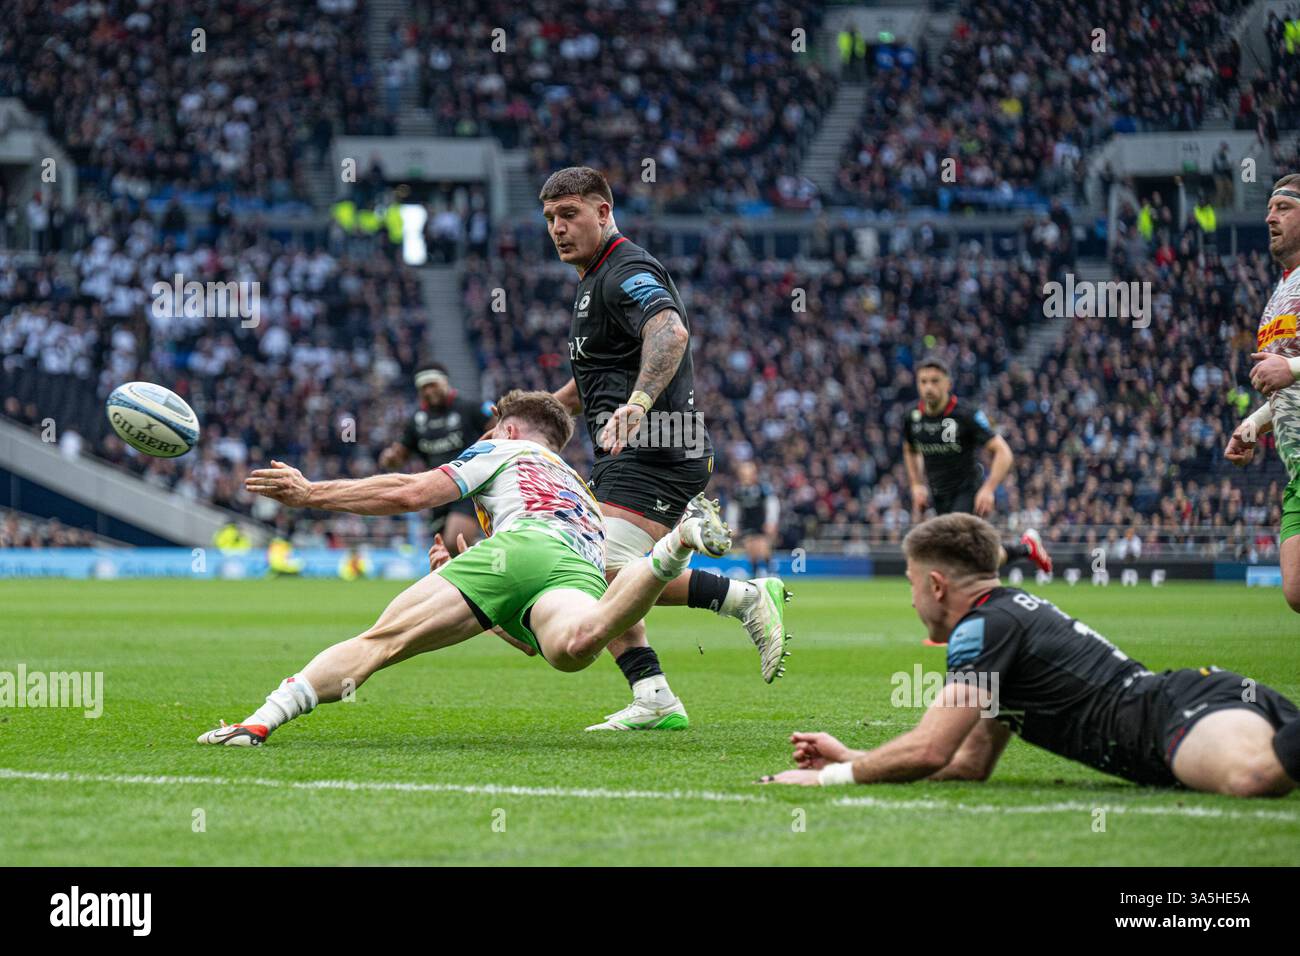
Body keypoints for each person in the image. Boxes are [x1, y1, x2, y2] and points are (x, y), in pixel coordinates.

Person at [198, 390, 732, 747]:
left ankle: (260, 721)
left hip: (522, 545)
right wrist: (471, 573)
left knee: (382, 642)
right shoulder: (580, 488)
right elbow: (524, 640)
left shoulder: (502, 451)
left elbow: (410, 490)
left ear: (511, 426)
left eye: (493, 426)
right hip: (579, 565)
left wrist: (312, 493)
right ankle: (675, 546)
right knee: (574, 648)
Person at [761, 514, 1299, 797]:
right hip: (1196, 700)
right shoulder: (1003, 619)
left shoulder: (982, 629)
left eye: (910, 583)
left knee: (1253, 777)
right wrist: (853, 757)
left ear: (936, 584)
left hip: (1175, 715)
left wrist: (827, 780)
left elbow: (929, 748)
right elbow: (967, 763)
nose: (910, 598)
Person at [534, 166, 789, 731]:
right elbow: (594, 380)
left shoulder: (625, 270)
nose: (557, 228)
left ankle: (742, 596)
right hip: (632, 449)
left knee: (594, 566)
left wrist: (640, 402)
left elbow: (670, 331)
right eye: (550, 218)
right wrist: (533, 421)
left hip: (659, 445)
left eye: (569, 214)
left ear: (604, 212)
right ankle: (651, 693)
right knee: (603, 572)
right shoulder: (591, 280)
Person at [903, 355, 1052, 575]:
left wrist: (989, 489)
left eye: (935, 381)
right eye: (923, 382)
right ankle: (1026, 547)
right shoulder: (913, 417)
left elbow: (1003, 452)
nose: (928, 388)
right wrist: (916, 484)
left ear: (948, 384)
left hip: (968, 490)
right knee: (969, 559)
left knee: (951, 557)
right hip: (939, 494)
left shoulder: (965, 414)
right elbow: (910, 448)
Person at [1226, 173, 1300, 613]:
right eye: (1270, 208)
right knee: (1295, 590)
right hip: (1296, 466)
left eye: (1284, 208)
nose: (1269, 216)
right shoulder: (1278, 296)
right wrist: (1252, 425)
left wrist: (1289, 367)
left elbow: (1290, 372)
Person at [378, 361, 493, 547]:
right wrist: (390, 458)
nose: (429, 391)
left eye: (433, 384)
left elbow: (499, 432)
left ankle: (483, 550)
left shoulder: (469, 408)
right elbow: (399, 457)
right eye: (423, 387)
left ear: (445, 382)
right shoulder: (416, 420)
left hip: (468, 486)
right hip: (437, 490)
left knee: (455, 542)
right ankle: (481, 552)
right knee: (442, 551)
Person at [726, 461, 780, 578]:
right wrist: (733, 526)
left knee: (763, 549)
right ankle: (755, 576)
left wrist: (771, 522)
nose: (745, 477)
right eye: (743, 474)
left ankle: (772, 573)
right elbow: (733, 509)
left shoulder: (763, 489)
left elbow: (772, 504)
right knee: (751, 552)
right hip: (746, 524)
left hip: (761, 524)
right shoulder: (738, 491)